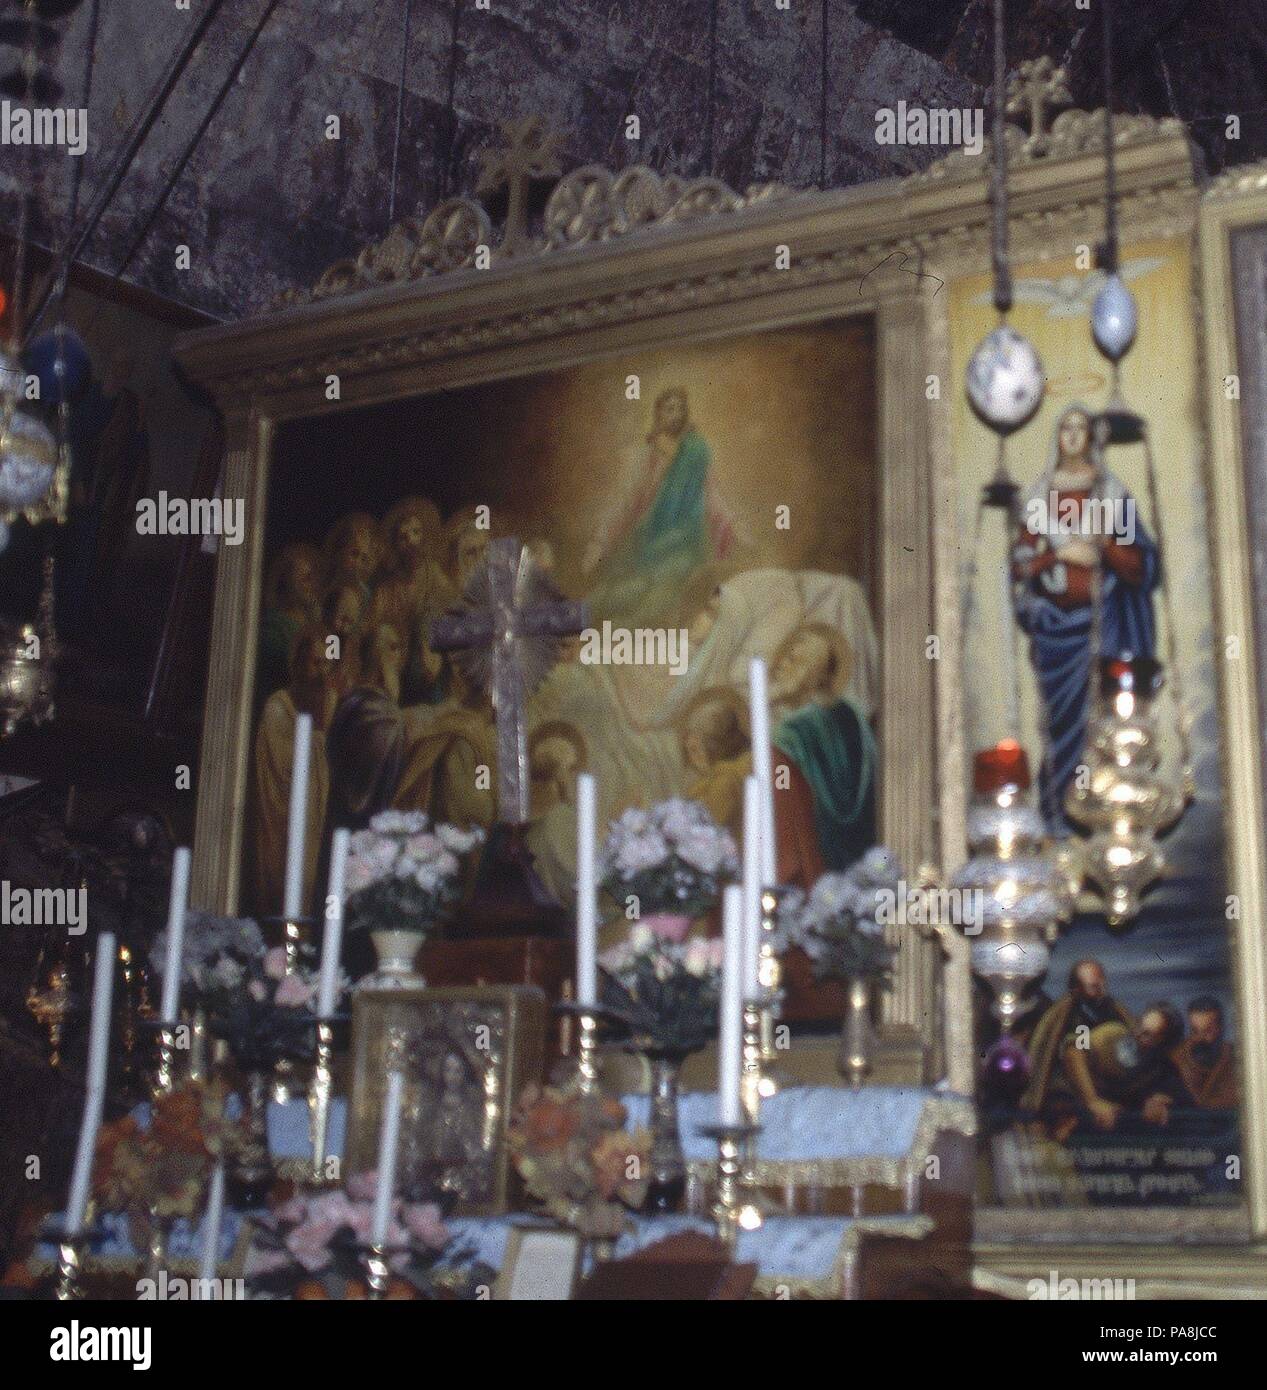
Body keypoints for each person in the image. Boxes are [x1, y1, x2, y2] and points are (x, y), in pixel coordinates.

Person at [1013, 405, 1159, 830]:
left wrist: (1103, 548)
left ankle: (1111, 824)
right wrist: (1058, 555)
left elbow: (1139, 565)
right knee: (1063, 729)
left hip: (1107, 628)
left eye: (1081, 428)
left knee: (1105, 727)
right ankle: (1059, 821)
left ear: (1093, 437)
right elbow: (1021, 566)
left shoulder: (1112, 495)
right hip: (1057, 635)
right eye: (1066, 428)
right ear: (1057, 437)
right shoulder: (1040, 498)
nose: (1073, 436)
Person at [583, 387, 740, 626]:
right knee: (617, 594)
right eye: (669, 409)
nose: (676, 414)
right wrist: (600, 542)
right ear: (659, 415)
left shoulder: (696, 454)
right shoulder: (648, 457)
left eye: (680, 409)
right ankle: (573, 617)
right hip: (646, 547)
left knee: (657, 599)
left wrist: (734, 527)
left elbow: (715, 500)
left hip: (683, 548)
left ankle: (616, 631)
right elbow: (625, 503)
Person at [679, 685, 822, 889]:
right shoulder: (776, 758)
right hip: (794, 878)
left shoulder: (727, 777)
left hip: (754, 885)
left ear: (715, 740)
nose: (692, 758)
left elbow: (698, 832)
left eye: (694, 747)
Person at [769, 623, 876, 870]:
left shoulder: (794, 730)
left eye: (795, 661)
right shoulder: (850, 716)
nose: (782, 664)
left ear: (818, 677)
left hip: (811, 862)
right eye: (785, 656)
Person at [253, 624, 333, 914]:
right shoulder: (278, 708)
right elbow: (281, 765)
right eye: (316, 663)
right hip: (283, 823)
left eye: (326, 664)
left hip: (314, 823)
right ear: (298, 664)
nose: (322, 672)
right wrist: (316, 741)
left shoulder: (325, 705)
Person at [1021, 959, 1133, 1133]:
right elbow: (1075, 1053)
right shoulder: (1074, 1015)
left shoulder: (1112, 1009)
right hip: (1069, 1090)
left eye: (1103, 984)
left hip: (1108, 1083)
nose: (1101, 991)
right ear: (1076, 989)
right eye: (1094, 987)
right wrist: (1092, 1101)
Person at [370, 496, 453, 704]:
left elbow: (449, 605)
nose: (411, 542)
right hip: (400, 660)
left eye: (416, 533)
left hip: (431, 655)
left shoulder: (432, 573)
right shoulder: (389, 586)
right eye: (403, 537)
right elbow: (376, 623)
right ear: (396, 545)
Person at [324, 622, 407, 827]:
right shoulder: (381, 715)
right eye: (394, 648)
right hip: (362, 824)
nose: (400, 657)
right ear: (379, 655)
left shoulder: (351, 703)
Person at [257, 543, 322, 705]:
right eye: (305, 578)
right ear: (286, 582)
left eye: (313, 577)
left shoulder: (315, 622)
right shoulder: (273, 626)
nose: (312, 584)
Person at [1171, 996, 1238, 1109]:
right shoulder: (1176, 1058)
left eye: (1208, 1031)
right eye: (1195, 1031)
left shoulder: (1236, 1058)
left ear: (1221, 1028)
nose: (1200, 1038)